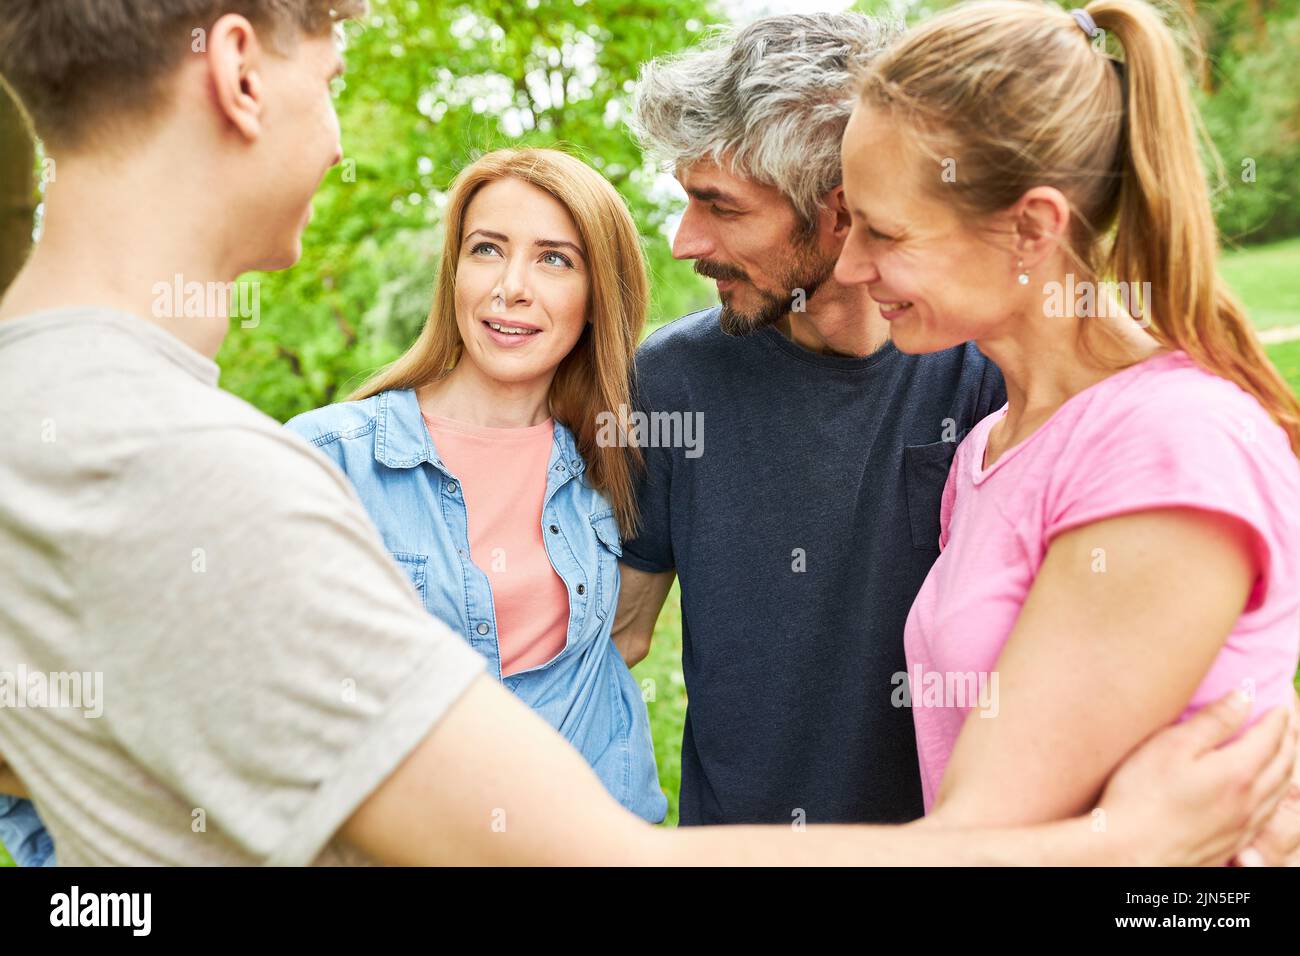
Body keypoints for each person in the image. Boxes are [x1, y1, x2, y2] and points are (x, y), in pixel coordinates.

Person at [0, 0, 1293, 867]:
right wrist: (1120, 850)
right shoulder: (205, 468)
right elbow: (597, 813)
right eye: (333, 80)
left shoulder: (1014, 412)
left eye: (719, 207)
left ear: (838, 217)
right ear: (234, 72)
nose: (339, 138)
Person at [835, 0, 1300, 846]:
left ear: (1032, 229)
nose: (848, 265)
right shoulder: (988, 449)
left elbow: (980, 844)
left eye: (883, 231)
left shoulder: (1171, 443)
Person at [617, 11, 1007, 826]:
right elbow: (616, 634)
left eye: (719, 207)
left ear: (838, 214)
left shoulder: (982, 373)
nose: (686, 241)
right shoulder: (672, 380)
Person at [283, 147, 666, 823]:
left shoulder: (617, 459)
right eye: (487, 249)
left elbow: (623, 646)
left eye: (554, 258)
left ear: (597, 294)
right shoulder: (328, 458)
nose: (510, 286)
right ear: (454, 272)